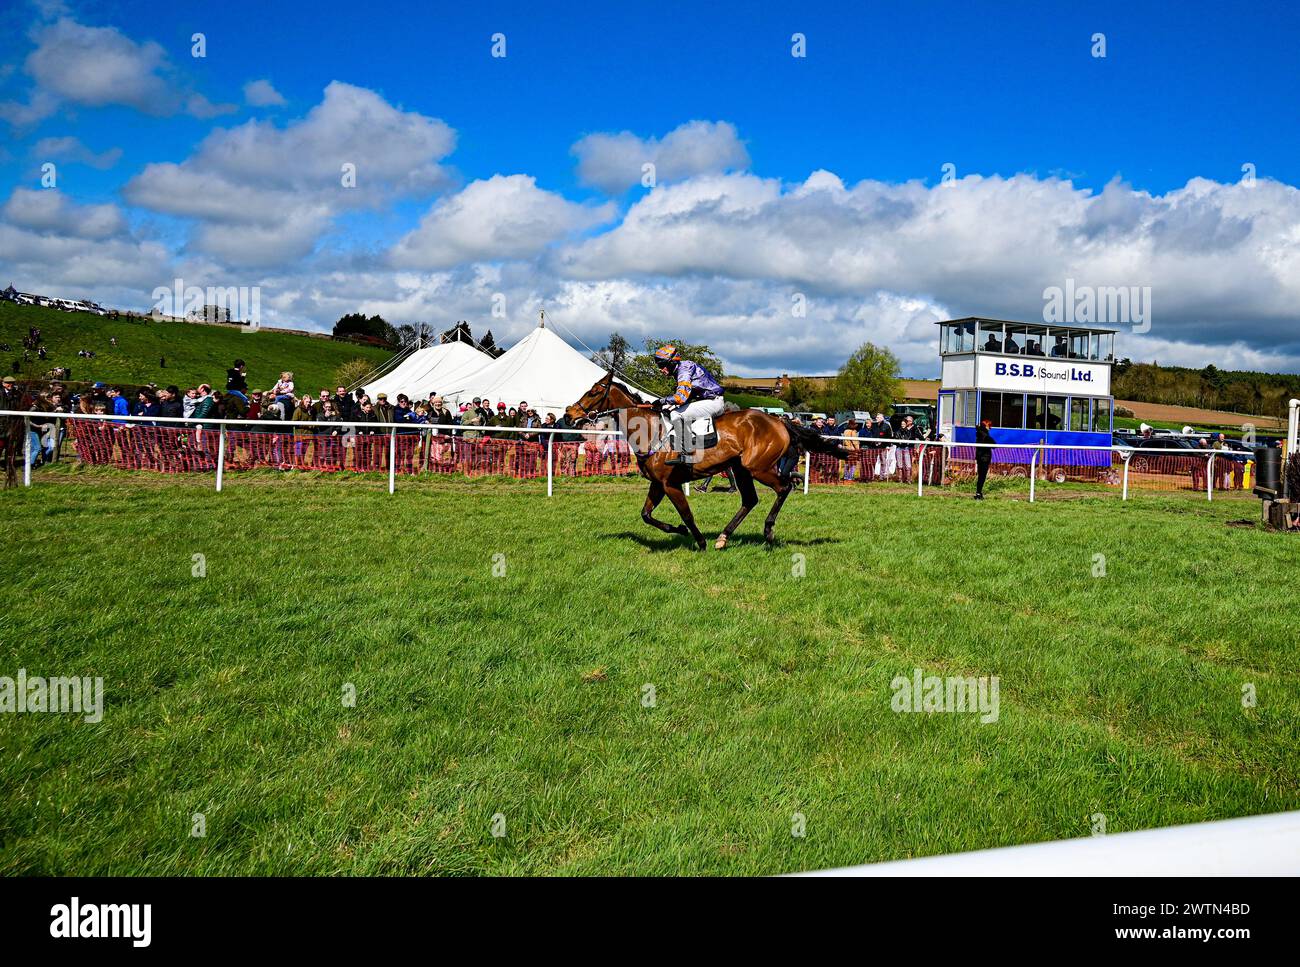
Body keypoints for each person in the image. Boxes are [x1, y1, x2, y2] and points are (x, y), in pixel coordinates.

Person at [650, 344, 725, 464]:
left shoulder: (684, 370)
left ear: (671, 362)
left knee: (676, 415)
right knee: (673, 411)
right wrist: (667, 406)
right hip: (709, 401)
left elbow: (680, 397)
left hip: (713, 402)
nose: (660, 369)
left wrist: (662, 401)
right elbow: (686, 398)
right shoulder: (682, 369)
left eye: (662, 365)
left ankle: (686, 453)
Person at [974, 417, 996, 500]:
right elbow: (994, 444)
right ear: (986, 426)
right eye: (989, 426)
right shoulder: (985, 435)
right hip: (984, 458)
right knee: (982, 476)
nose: (990, 428)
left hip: (980, 458)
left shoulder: (979, 434)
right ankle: (978, 493)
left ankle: (978, 492)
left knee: (981, 476)